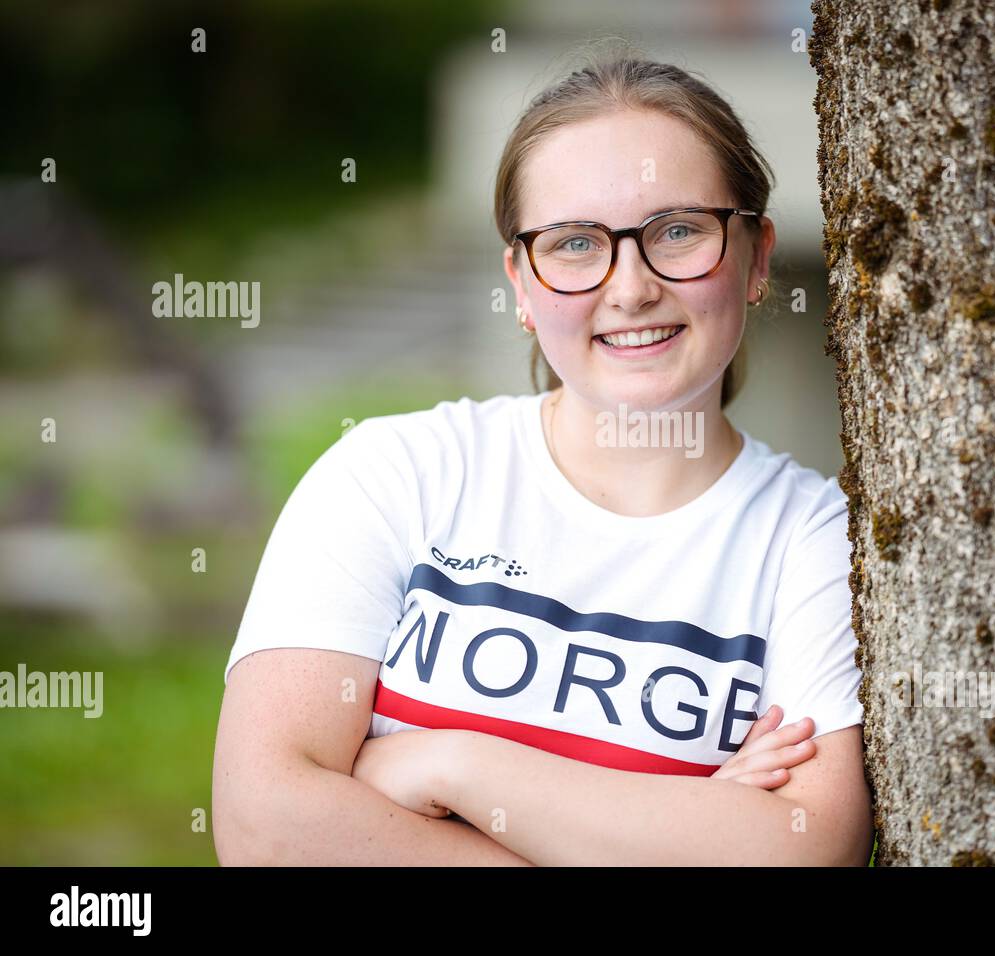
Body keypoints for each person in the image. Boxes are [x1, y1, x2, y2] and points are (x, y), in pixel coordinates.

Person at [212, 50, 872, 867]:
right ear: (521, 285)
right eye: (573, 245)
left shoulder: (814, 543)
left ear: (758, 257)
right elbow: (266, 827)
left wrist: (451, 764)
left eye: (677, 231)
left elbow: (806, 850)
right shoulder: (395, 474)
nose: (629, 288)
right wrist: (684, 826)